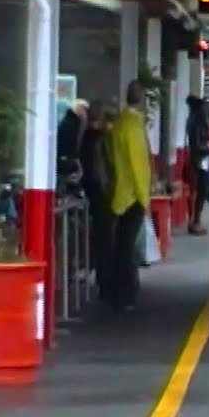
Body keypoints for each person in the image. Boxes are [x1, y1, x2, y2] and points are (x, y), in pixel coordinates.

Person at [106, 81, 151, 312]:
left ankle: (118, 292)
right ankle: (127, 293)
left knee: (121, 245)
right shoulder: (134, 127)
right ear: (141, 98)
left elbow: (114, 159)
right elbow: (138, 165)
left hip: (119, 194)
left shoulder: (118, 125)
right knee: (128, 249)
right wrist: (145, 196)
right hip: (133, 197)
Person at [80, 102, 114, 299]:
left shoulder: (85, 137)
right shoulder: (99, 140)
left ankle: (103, 280)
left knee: (100, 239)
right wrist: (107, 190)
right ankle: (106, 283)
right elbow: (100, 170)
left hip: (92, 192)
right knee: (106, 240)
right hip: (101, 195)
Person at [184, 95, 209, 236]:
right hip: (200, 159)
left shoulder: (196, 121)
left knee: (201, 190)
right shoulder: (196, 123)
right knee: (199, 190)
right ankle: (195, 221)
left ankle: (196, 220)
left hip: (201, 159)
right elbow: (197, 145)